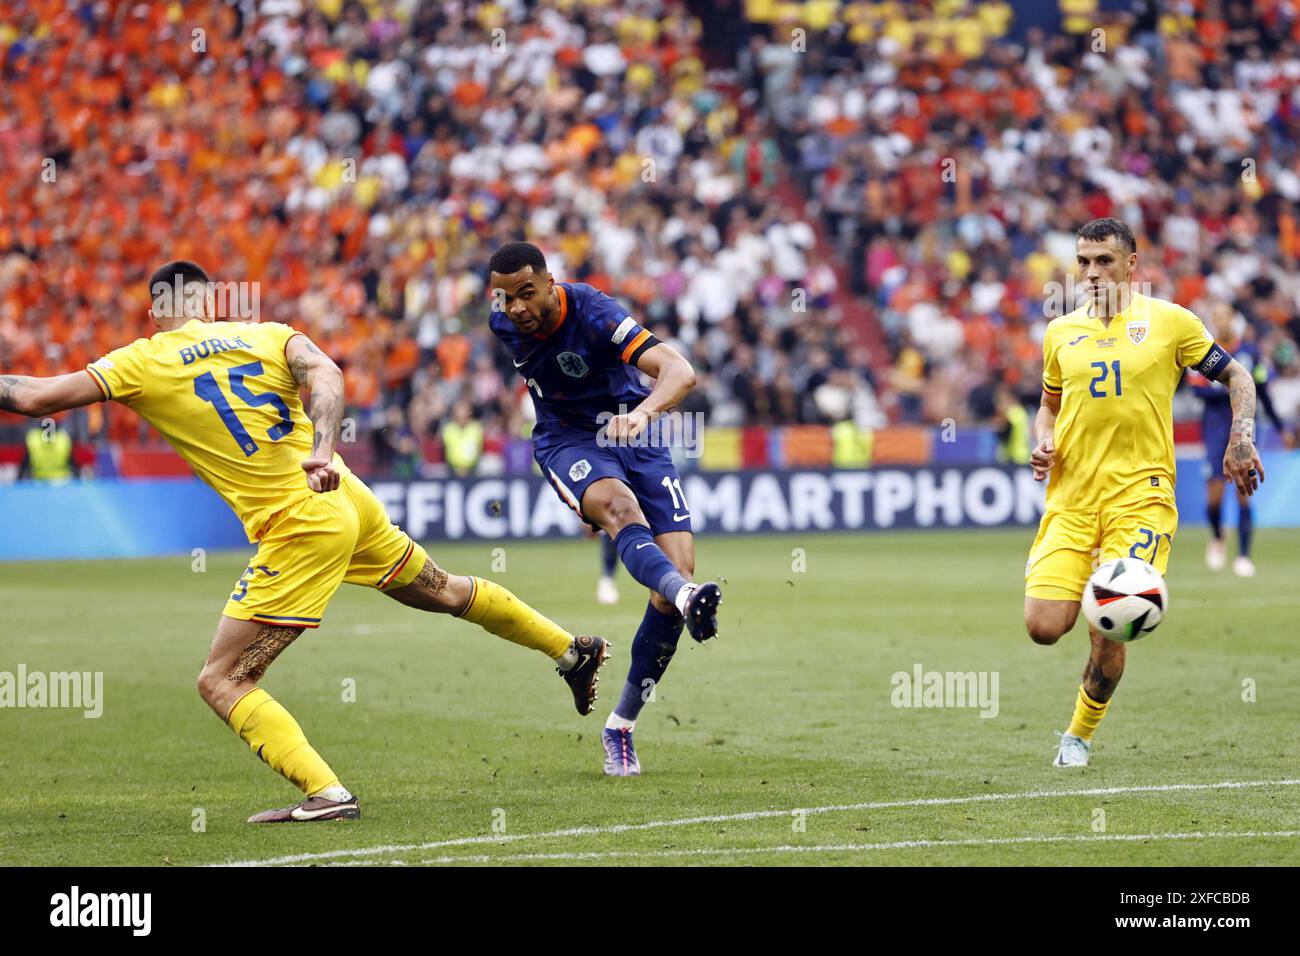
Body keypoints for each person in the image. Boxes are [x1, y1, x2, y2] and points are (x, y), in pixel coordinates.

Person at [0, 260, 610, 822]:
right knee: (445, 590)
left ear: (157, 310)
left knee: (222, 679)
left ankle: (327, 794)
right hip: (345, 493)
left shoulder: (143, 359)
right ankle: (570, 651)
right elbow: (326, 371)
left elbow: (33, 397)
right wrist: (322, 449)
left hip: (299, 524)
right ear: (210, 303)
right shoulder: (268, 333)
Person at [1023, 219, 1262, 768]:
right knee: (1043, 627)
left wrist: (1241, 437)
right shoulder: (1061, 332)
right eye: (1083, 261)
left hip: (1142, 497)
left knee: (1109, 625)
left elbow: (1238, 377)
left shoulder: (1171, 323)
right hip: (1071, 498)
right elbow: (1048, 406)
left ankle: (1077, 736)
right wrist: (1043, 441)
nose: (1091, 272)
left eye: (1104, 260)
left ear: (1132, 265)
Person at [486, 241, 722, 777]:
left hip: (634, 434)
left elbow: (679, 372)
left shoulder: (593, 311)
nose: (516, 307)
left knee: (676, 573)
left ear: (550, 282)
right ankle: (687, 597)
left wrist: (641, 414)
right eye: (504, 297)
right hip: (567, 441)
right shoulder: (503, 322)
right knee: (619, 509)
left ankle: (620, 726)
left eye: (527, 292)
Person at [1187, 302, 1288, 577]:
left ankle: (1244, 555)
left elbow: (1263, 390)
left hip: (1243, 430)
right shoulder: (1204, 353)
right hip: (1213, 430)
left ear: (1234, 320)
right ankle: (1218, 535)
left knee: (1244, 491)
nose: (1220, 321)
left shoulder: (1250, 352)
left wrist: (1281, 427)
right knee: (1214, 498)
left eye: (1224, 316)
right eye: (1215, 316)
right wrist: (1235, 388)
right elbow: (1197, 392)